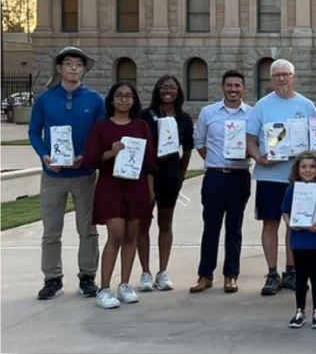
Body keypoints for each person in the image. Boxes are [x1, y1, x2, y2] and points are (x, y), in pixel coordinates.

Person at [28, 46, 104, 300]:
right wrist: (45, 155)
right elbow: (34, 131)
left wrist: (85, 156)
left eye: (78, 64)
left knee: (88, 229)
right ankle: (52, 277)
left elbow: (100, 134)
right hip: (53, 176)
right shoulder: (45, 99)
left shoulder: (94, 99)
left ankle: (87, 276)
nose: (73, 68)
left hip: (83, 174)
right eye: (68, 63)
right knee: (51, 230)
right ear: (59, 68)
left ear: (84, 69)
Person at [246, 59, 316, 296]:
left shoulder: (306, 106)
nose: (281, 79)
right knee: (271, 223)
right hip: (270, 175)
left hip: (298, 178)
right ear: (271, 79)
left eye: (286, 74)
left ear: (294, 77)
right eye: (277, 75)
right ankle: (271, 272)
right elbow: (250, 138)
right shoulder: (262, 106)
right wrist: (259, 158)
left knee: (294, 224)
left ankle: (291, 271)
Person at [83, 82, 158, 309]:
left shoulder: (141, 126)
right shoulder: (101, 127)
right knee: (115, 234)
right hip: (111, 185)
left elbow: (149, 161)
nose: (124, 100)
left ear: (134, 101)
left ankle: (125, 284)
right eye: (119, 96)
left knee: (131, 236)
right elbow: (91, 160)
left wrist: (150, 189)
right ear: (112, 100)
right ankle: (104, 288)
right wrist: (112, 152)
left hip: (136, 186)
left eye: (128, 96)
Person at [189, 70, 253, 294]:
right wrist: (214, 160)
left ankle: (231, 275)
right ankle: (205, 275)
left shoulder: (251, 114)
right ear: (222, 87)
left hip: (239, 176)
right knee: (211, 226)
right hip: (215, 176)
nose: (233, 89)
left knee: (234, 228)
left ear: (244, 88)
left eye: (237, 85)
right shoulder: (209, 112)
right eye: (229, 85)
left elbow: (258, 142)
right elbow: (199, 141)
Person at [137, 75, 194, 292]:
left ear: (178, 91)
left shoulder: (184, 118)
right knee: (143, 223)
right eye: (163, 87)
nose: (167, 91)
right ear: (157, 90)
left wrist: (181, 174)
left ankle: (163, 270)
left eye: (172, 87)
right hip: (146, 175)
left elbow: (187, 148)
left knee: (165, 223)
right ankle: (145, 272)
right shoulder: (146, 116)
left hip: (170, 175)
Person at [282, 151, 316, 329]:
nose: (308, 170)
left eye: (312, 167)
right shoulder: (292, 189)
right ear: (298, 169)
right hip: (299, 238)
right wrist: (290, 224)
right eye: (304, 167)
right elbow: (285, 211)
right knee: (301, 276)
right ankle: (299, 311)